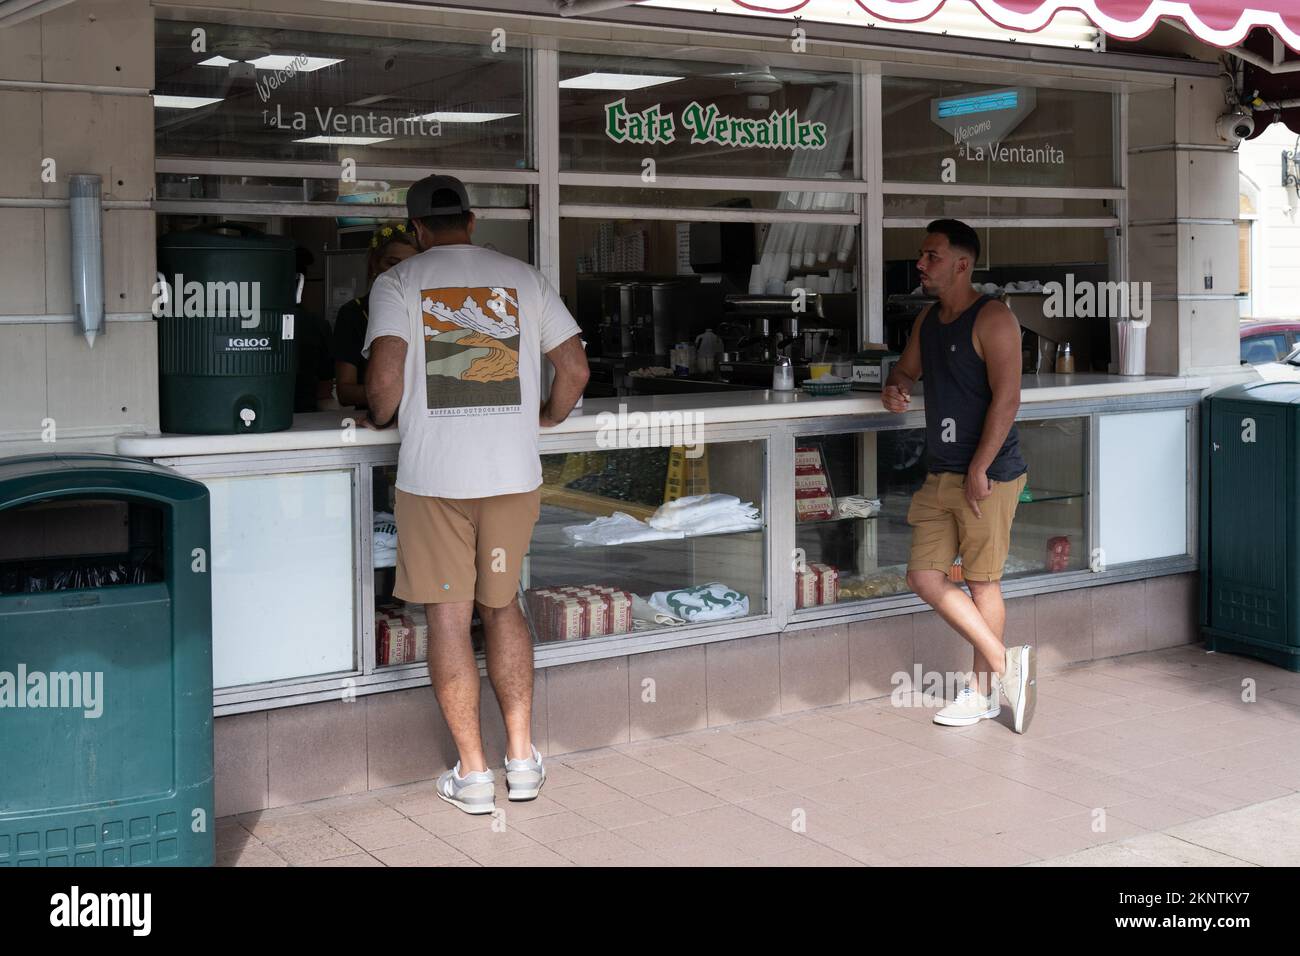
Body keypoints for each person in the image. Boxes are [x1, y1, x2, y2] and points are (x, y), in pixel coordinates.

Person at [361, 174, 589, 814]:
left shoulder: (398, 282)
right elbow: (574, 369)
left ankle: (473, 774)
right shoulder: (524, 278)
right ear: (473, 219)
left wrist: (382, 416)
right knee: (503, 606)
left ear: (416, 230)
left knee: (448, 619)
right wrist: (544, 415)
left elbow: (382, 382)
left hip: (435, 482)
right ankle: (521, 759)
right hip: (511, 478)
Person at [881, 218, 1037, 734]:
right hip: (941, 472)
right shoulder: (929, 320)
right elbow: (905, 371)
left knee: (981, 580)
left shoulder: (994, 319)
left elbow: (1008, 398)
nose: (921, 265)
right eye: (923, 256)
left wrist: (979, 466)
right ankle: (1004, 661)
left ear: (962, 264)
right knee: (924, 576)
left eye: (931, 256)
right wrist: (895, 386)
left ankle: (982, 694)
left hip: (987, 475)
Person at [332, 222, 420, 408]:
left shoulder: (429, 310)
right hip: (373, 424)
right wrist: (390, 393)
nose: (400, 273)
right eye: (392, 264)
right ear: (374, 264)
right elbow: (345, 391)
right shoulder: (353, 313)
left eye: (410, 266)